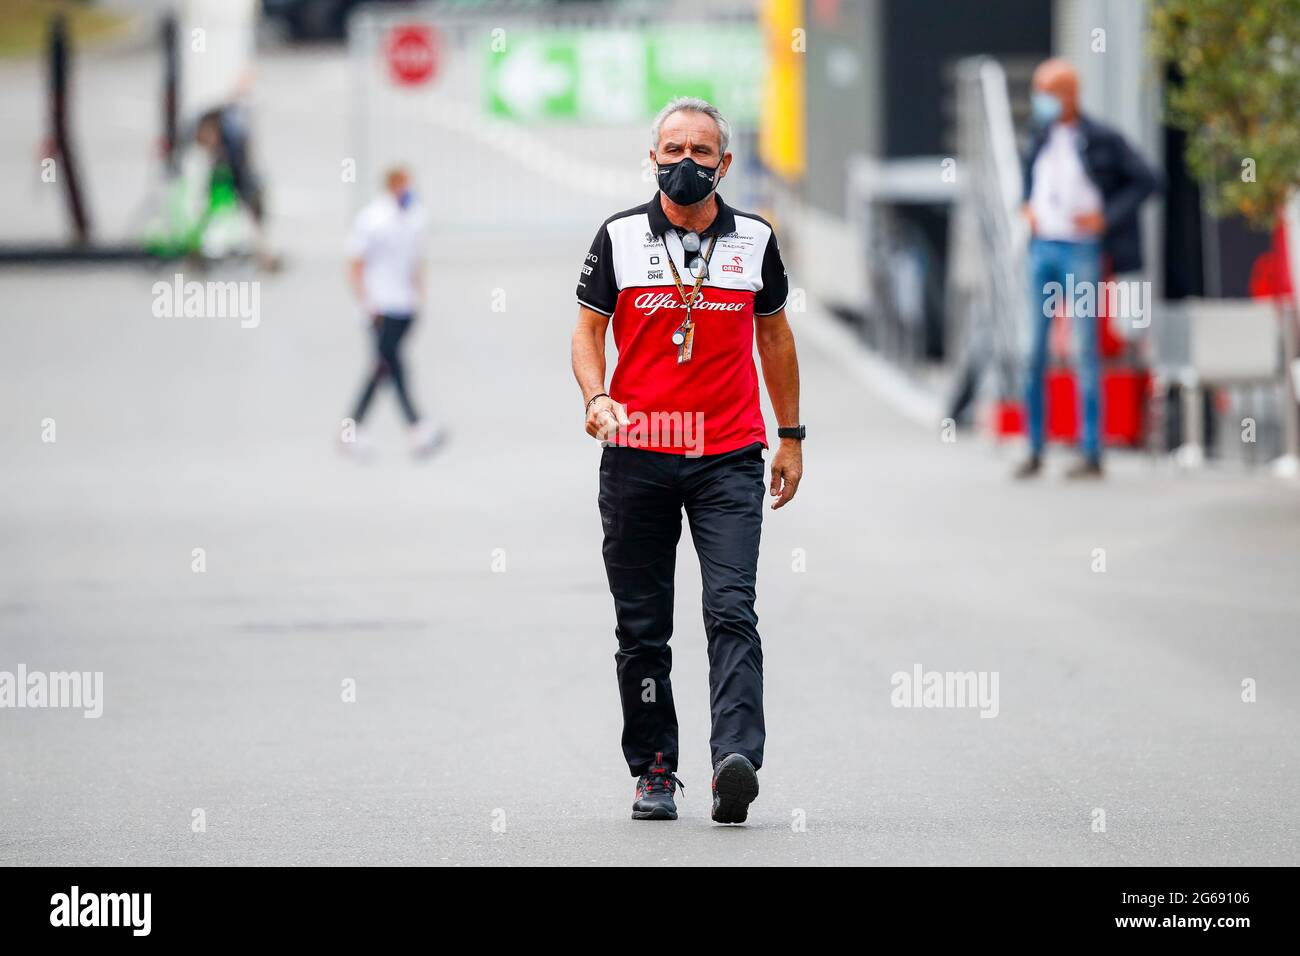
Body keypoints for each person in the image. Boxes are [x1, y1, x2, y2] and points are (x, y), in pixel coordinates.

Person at [571, 97, 805, 824]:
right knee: (643, 628)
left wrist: (791, 434)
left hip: (728, 455)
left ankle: (736, 759)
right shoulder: (618, 236)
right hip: (636, 454)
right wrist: (597, 396)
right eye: (672, 150)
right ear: (653, 157)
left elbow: (775, 339)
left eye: (701, 152)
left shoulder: (755, 241)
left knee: (731, 608)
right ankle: (655, 770)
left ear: (724, 164)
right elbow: (587, 332)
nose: (685, 163)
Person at [1016, 58, 1160, 479]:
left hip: (1080, 249)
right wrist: (1027, 206)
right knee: (1034, 351)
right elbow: (1031, 181)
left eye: (1048, 92)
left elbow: (1148, 179)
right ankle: (1034, 446)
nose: (1041, 100)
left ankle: (1091, 449)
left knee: (1084, 348)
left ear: (1069, 94)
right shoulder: (1038, 135)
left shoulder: (1100, 137)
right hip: (1042, 247)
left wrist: (1106, 218)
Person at [345, 167, 443, 457]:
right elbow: (356, 263)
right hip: (381, 306)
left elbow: (415, 260)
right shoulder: (372, 219)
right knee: (391, 366)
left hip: (404, 305)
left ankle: (358, 429)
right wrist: (366, 301)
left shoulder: (415, 216)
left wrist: (418, 295)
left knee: (385, 366)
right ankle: (415, 427)